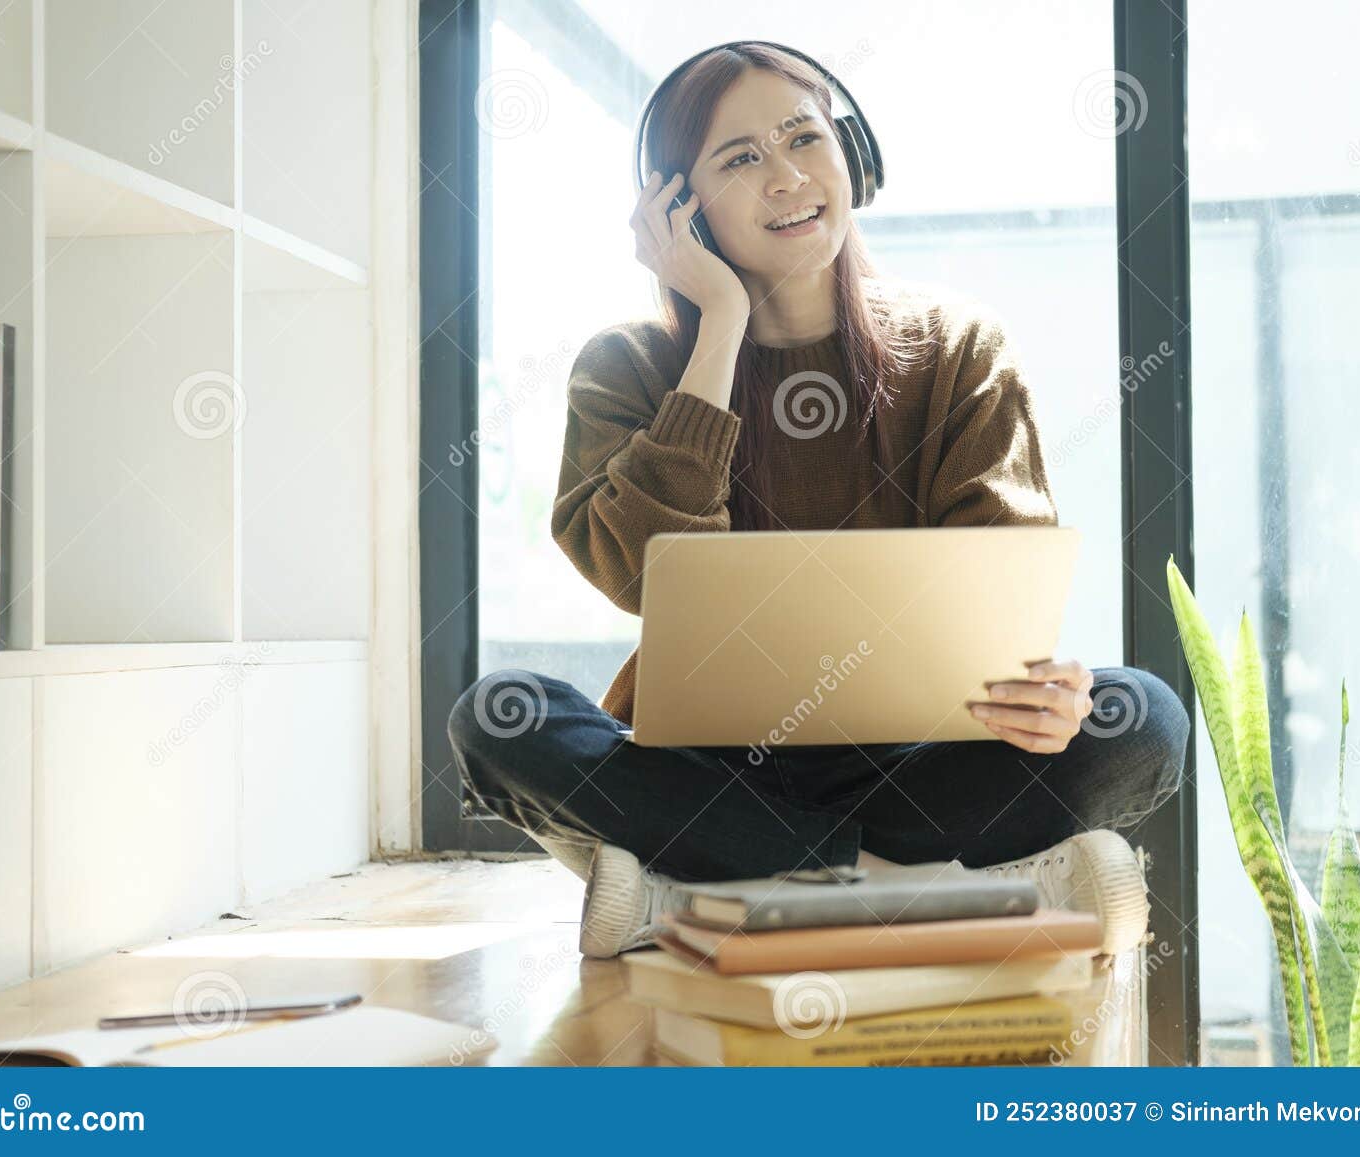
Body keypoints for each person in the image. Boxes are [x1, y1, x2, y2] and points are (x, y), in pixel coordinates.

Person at [449, 42, 1189, 958]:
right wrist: (718, 329)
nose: (788, 175)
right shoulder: (627, 366)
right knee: (498, 715)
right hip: (709, 768)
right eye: (741, 158)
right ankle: (914, 887)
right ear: (676, 209)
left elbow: (1004, 587)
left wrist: (1047, 699)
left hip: (922, 765)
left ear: (854, 159)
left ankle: (707, 886)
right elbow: (642, 574)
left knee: (1141, 714)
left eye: (805, 137)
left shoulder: (958, 346)